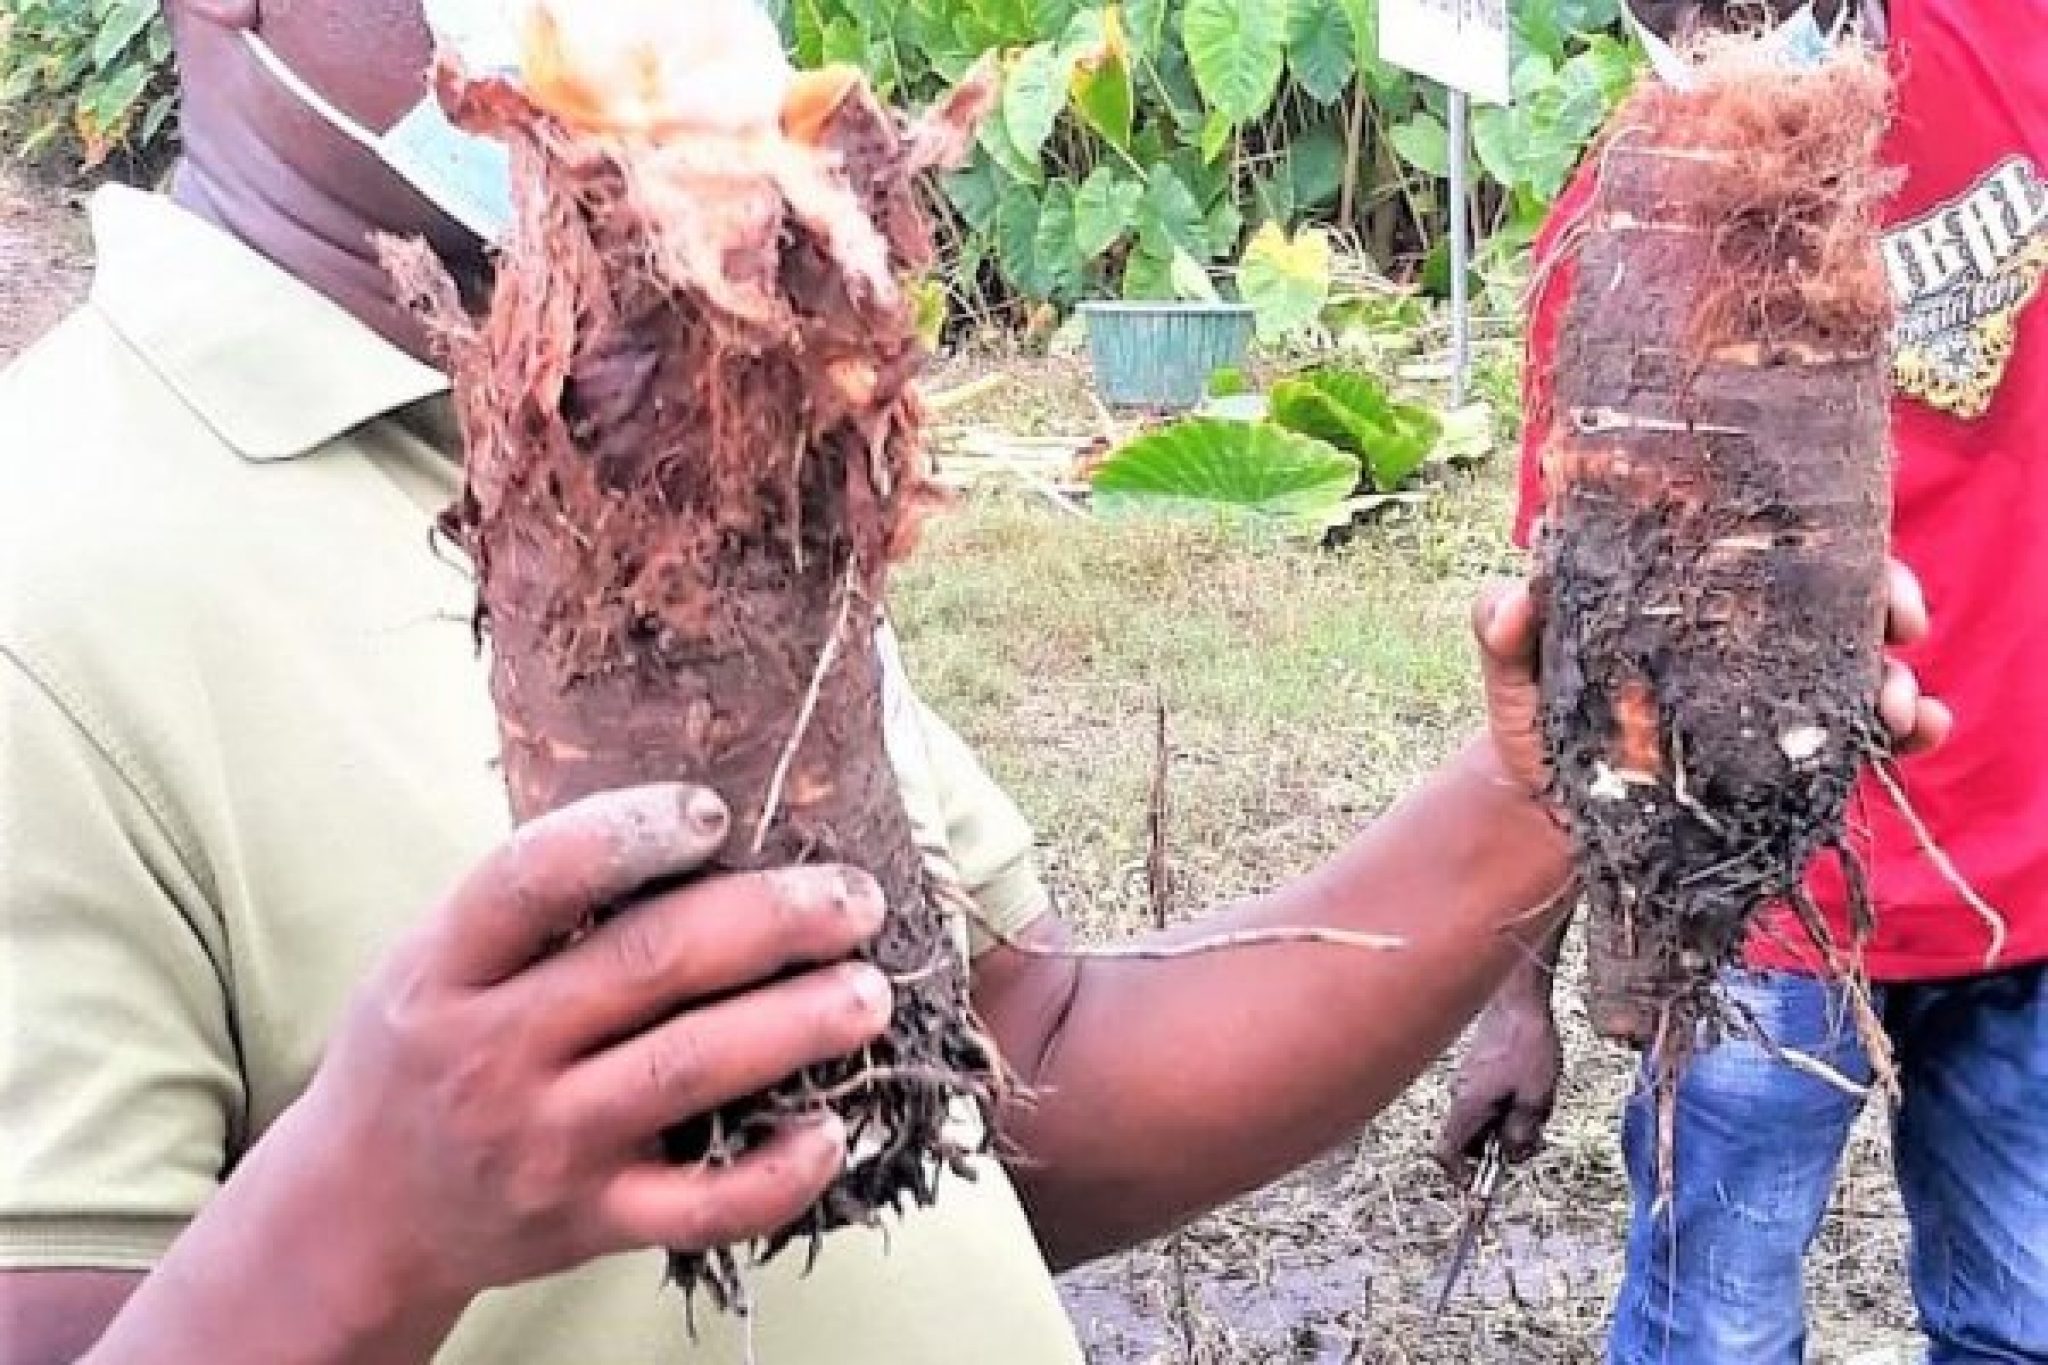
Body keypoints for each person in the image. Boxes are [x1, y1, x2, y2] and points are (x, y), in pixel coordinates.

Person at [0, 3, 1941, 1363]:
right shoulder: (51, 568)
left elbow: (1027, 1074)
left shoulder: (682, 431)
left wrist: (1552, 783)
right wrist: (371, 1208)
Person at [1436, 1, 2048, 1360]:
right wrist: (1514, 993)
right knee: (1712, 1331)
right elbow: (1569, 650)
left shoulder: (2013, 48)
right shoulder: (1611, 234)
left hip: (2029, 902)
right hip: (1754, 916)